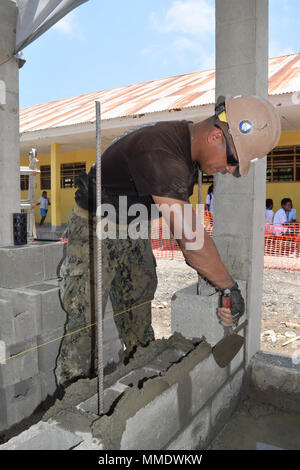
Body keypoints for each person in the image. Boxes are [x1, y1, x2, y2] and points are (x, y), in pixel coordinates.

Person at [55, 95, 281, 386]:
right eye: (232, 162)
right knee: (86, 318)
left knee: (138, 309)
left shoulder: (185, 147)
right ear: (215, 136)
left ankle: (140, 385)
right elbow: (192, 242)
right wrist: (228, 286)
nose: (229, 171)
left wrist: (220, 282)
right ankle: (70, 405)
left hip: (132, 227)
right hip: (94, 228)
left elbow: (192, 236)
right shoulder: (160, 151)